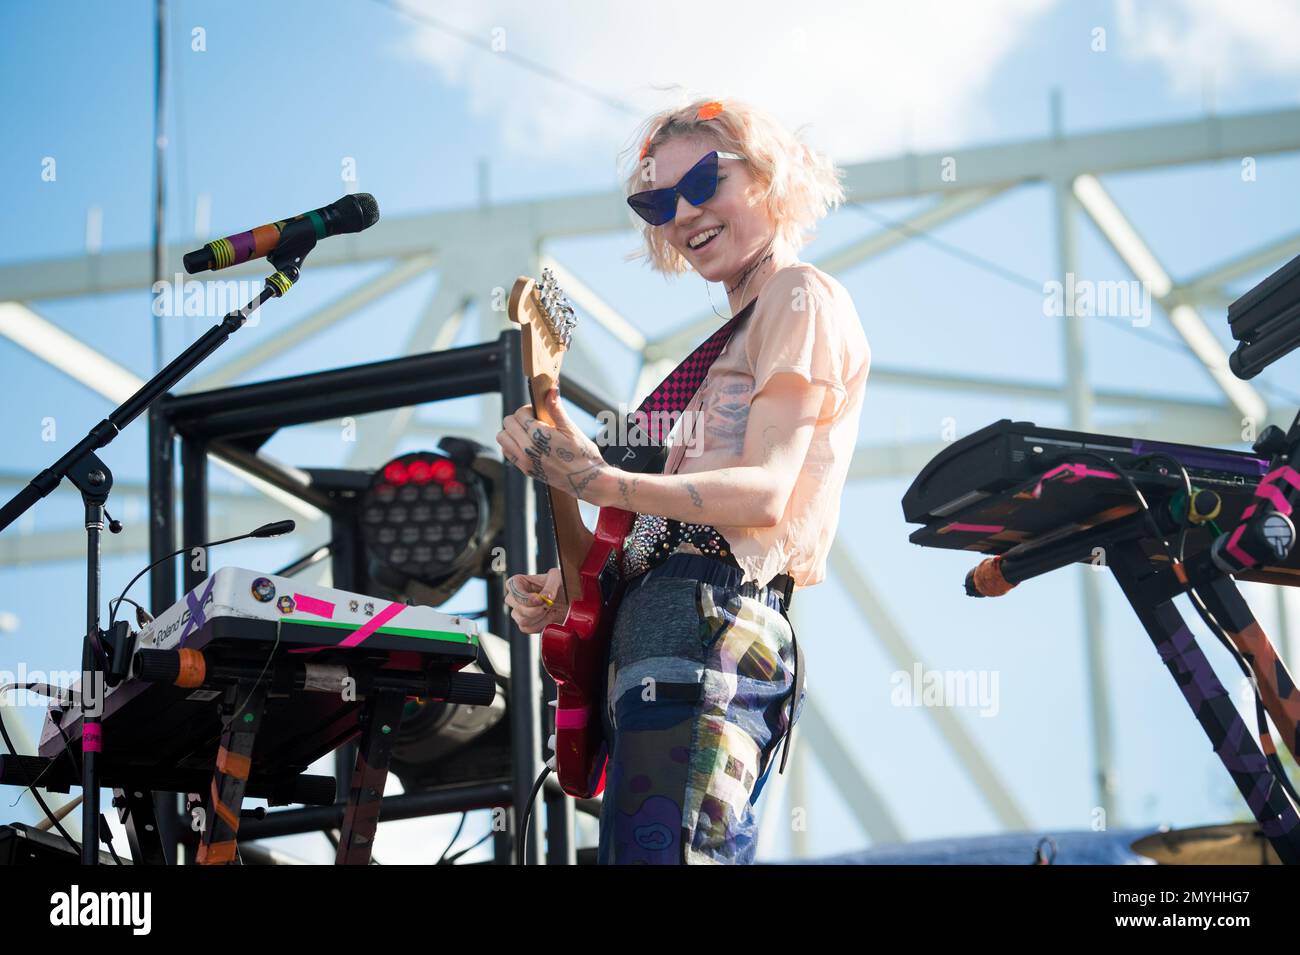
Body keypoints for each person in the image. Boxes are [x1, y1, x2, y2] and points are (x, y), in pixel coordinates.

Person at [496, 97, 869, 864]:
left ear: (766, 175)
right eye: (659, 201)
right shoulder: (720, 351)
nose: (684, 211)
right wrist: (568, 586)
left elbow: (764, 493)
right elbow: (662, 523)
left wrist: (602, 481)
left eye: (705, 179)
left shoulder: (799, 296)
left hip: (710, 622)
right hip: (667, 623)